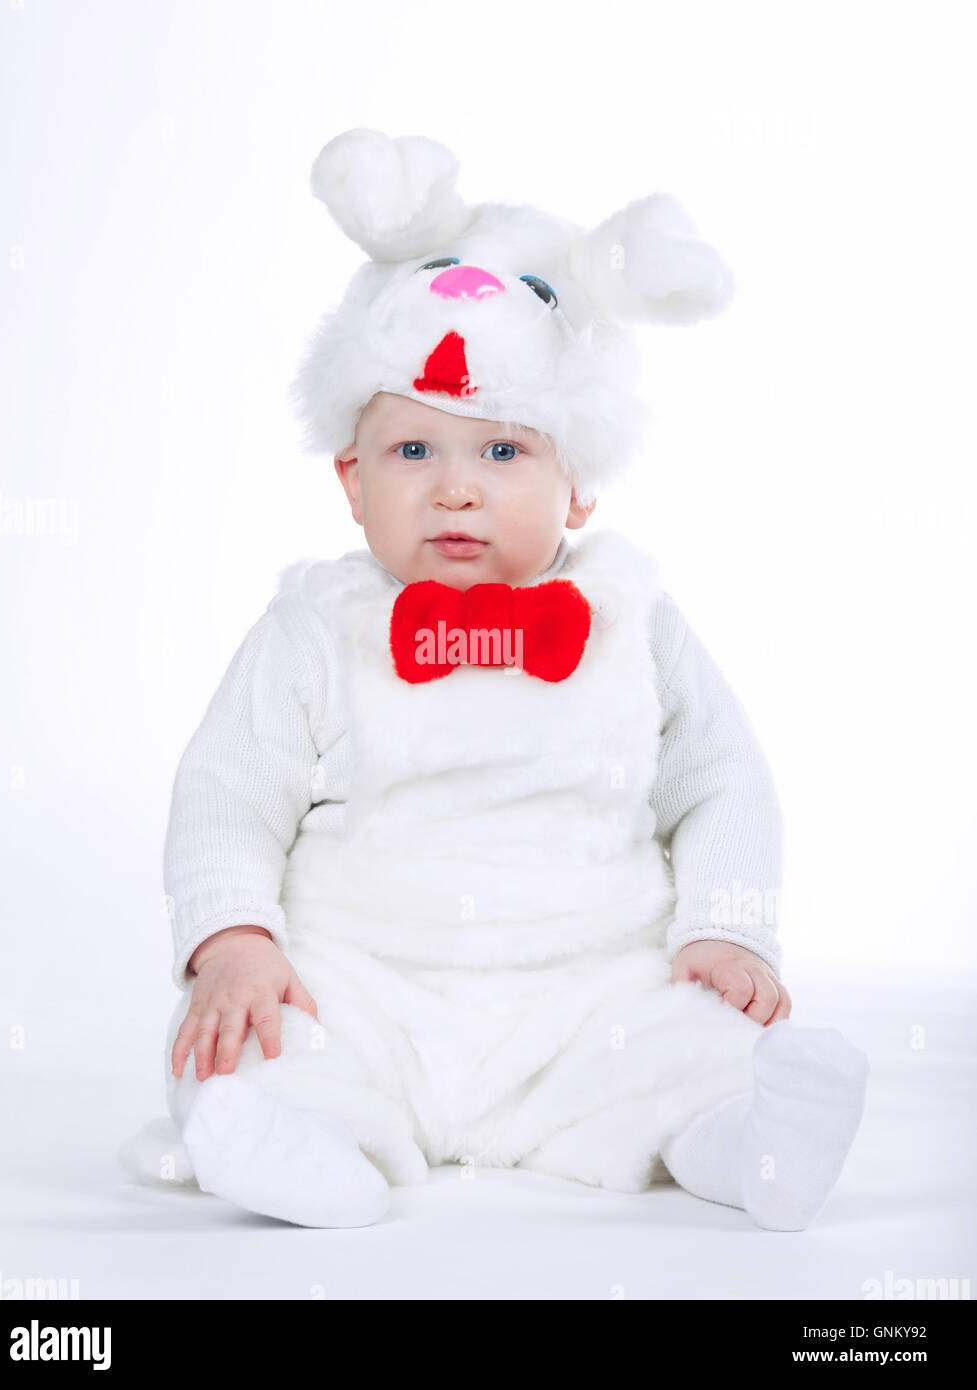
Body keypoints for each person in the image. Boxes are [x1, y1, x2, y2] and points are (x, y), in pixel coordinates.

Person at [119, 129, 868, 1231]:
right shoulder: (314, 626)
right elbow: (230, 788)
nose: (455, 491)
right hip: (366, 979)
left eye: (503, 452)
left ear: (579, 488)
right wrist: (234, 939)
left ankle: (750, 1139)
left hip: (586, 994)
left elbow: (723, 779)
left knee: (691, 1045)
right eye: (413, 453)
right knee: (247, 1037)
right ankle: (292, 1147)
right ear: (350, 480)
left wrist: (727, 927)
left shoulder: (633, 616)